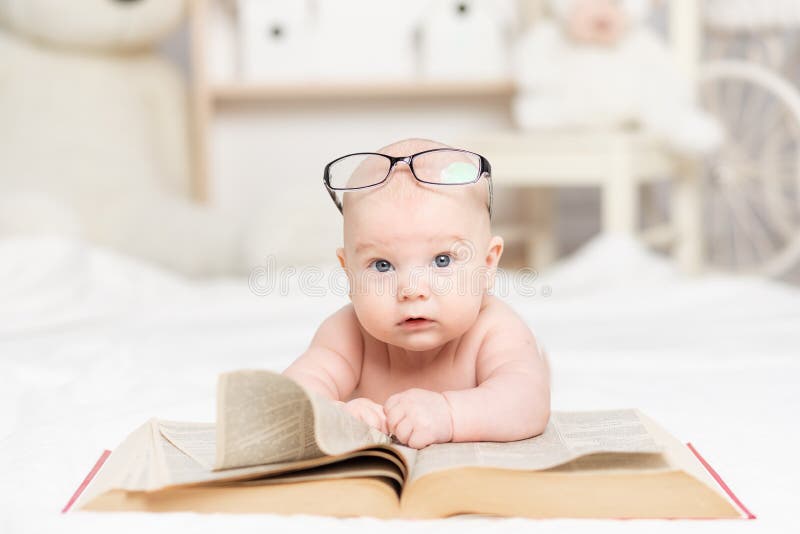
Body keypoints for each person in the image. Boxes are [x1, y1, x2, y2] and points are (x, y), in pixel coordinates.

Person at [283, 137, 550, 449]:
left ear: (488, 264)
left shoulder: (494, 329)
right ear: (348, 273)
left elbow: (529, 402)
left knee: (536, 366)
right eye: (382, 265)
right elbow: (289, 398)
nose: (412, 290)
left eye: (442, 260)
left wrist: (449, 415)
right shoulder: (347, 333)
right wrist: (333, 416)